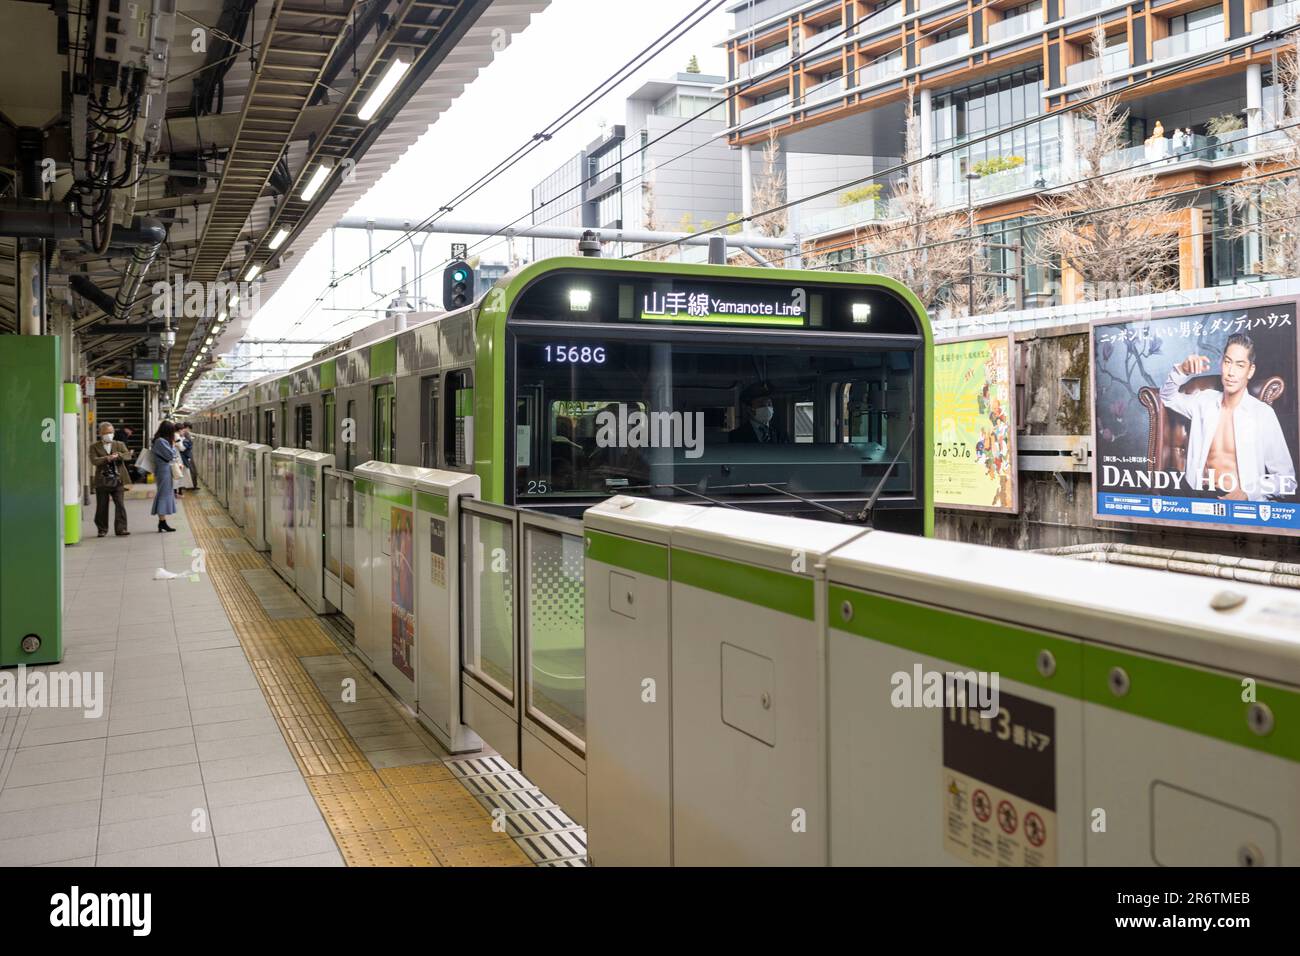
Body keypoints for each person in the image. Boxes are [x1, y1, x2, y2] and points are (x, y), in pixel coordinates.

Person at [1160, 333, 1296, 501]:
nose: (1231, 372)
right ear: (1221, 363)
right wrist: (1182, 370)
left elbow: (1287, 480)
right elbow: (1167, 397)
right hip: (1197, 497)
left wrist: (1248, 494)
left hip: (1239, 502)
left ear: (1250, 370)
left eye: (1240, 365)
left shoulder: (1262, 414)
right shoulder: (1203, 401)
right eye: (1227, 362)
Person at [88, 421, 132, 537]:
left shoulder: (119, 444)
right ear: (100, 433)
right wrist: (107, 458)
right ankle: (102, 529)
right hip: (102, 481)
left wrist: (119, 456)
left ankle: (121, 528)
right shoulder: (94, 447)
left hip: (118, 479)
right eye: (107, 433)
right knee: (102, 505)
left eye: (111, 432)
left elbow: (128, 455)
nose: (110, 435)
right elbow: (94, 460)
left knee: (120, 504)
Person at [150, 420, 180, 532]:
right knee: (163, 495)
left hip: (164, 470)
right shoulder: (161, 441)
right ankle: (162, 522)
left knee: (164, 494)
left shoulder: (161, 440)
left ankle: (162, 522)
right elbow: (170, 455)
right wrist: (174, 445)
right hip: (163, 470)